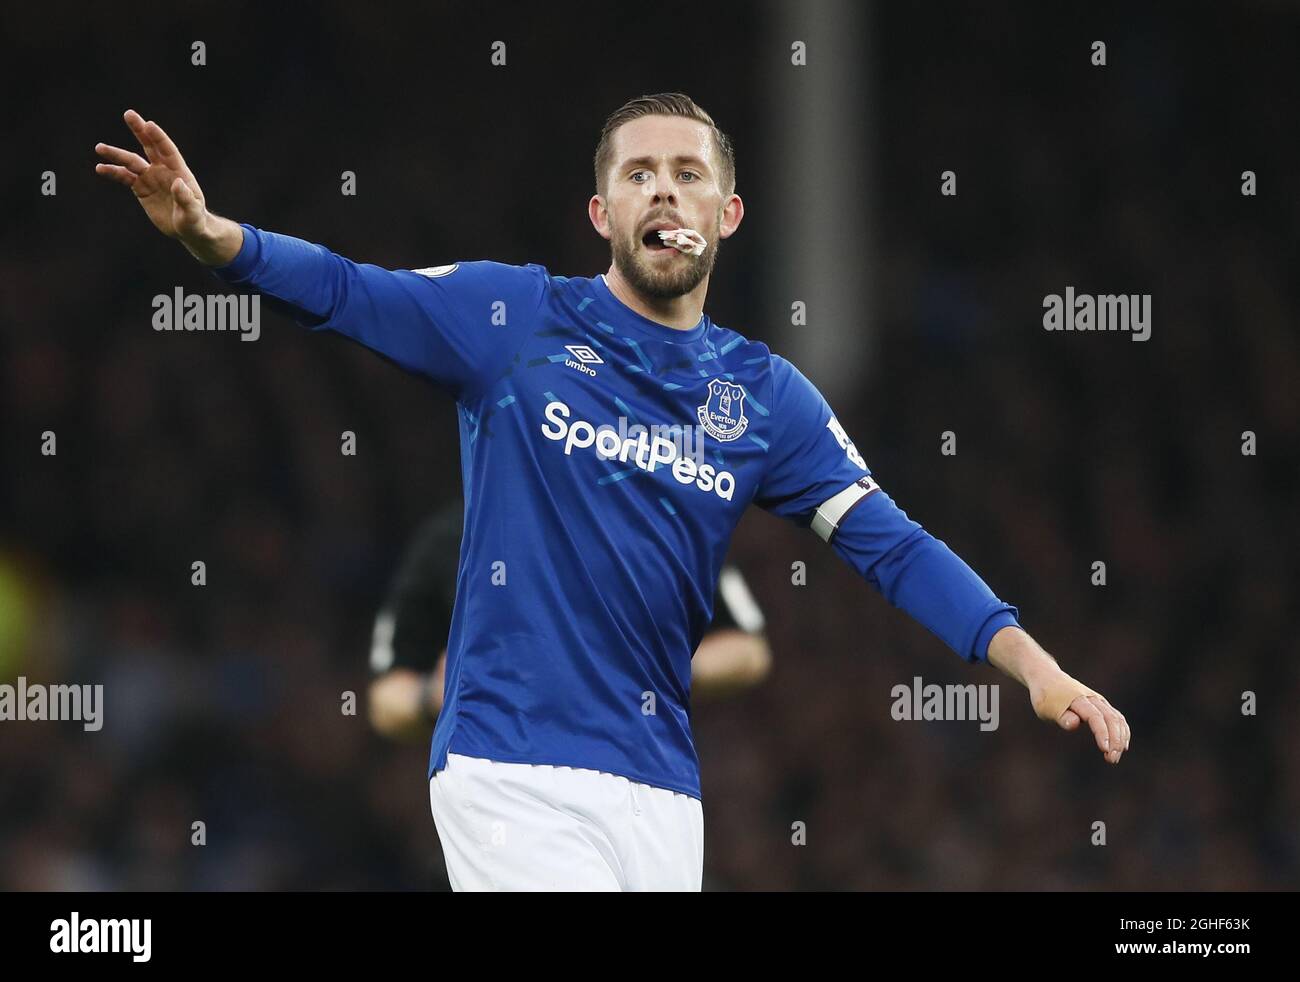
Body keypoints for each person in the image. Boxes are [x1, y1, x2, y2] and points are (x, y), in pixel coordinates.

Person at [94, 92, 1130, 891]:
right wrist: (210, 233)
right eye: (640, 174)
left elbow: (891, 545)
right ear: (603, 210)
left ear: (726, 214)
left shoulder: (766, 398)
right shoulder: (514, 318)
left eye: (688, 174)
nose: (665, 191)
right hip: (511, 761)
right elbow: (347, 291)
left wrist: (1034, 668)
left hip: (661, 792)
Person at [367, 502, 771, 740]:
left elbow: (749, 650)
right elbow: (384, 698)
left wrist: (648, 674)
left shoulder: (652, 517)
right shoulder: (454, 537)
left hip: (639, 772)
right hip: (501, 783)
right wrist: (432, 696)